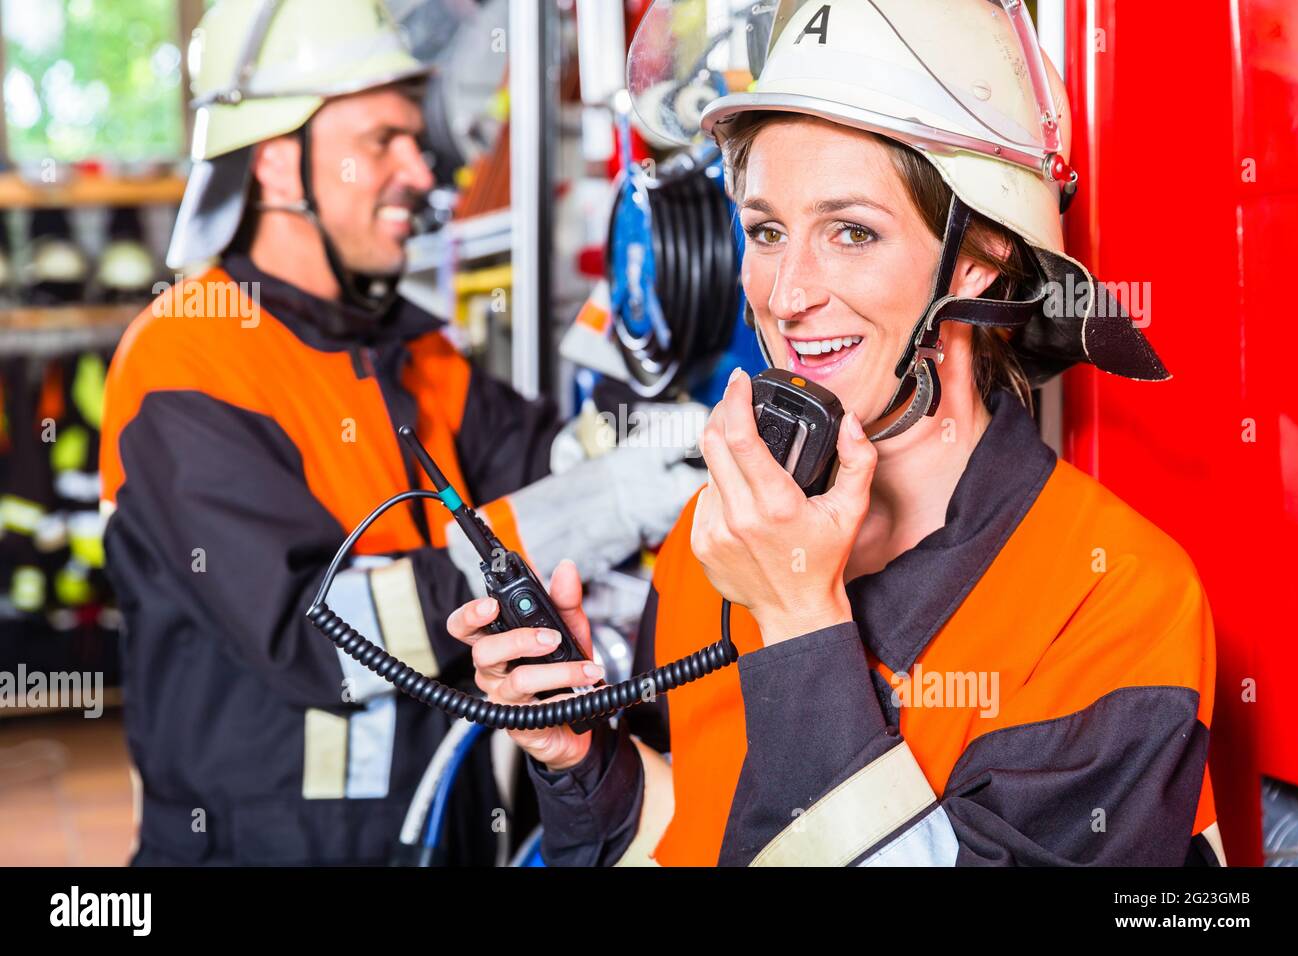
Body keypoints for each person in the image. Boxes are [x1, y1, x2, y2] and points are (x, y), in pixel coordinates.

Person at [445, 0, 1223, 867]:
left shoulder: (1115, 598)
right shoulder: (721, 537)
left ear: (979, 259)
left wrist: (797, 621)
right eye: (769, 231)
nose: (786, 294)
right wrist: (590, 763)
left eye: (852, 232)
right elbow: (701, 828)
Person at [99, 0, 702, 866]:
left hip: (436, 834)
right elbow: (316, 633)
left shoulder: (410, 349)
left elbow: (543, 456)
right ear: (276, 162)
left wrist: (658, 430)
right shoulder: (185, 359)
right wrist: (600, 504)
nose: (422, 170)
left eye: (416, 140)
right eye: (381, 140)